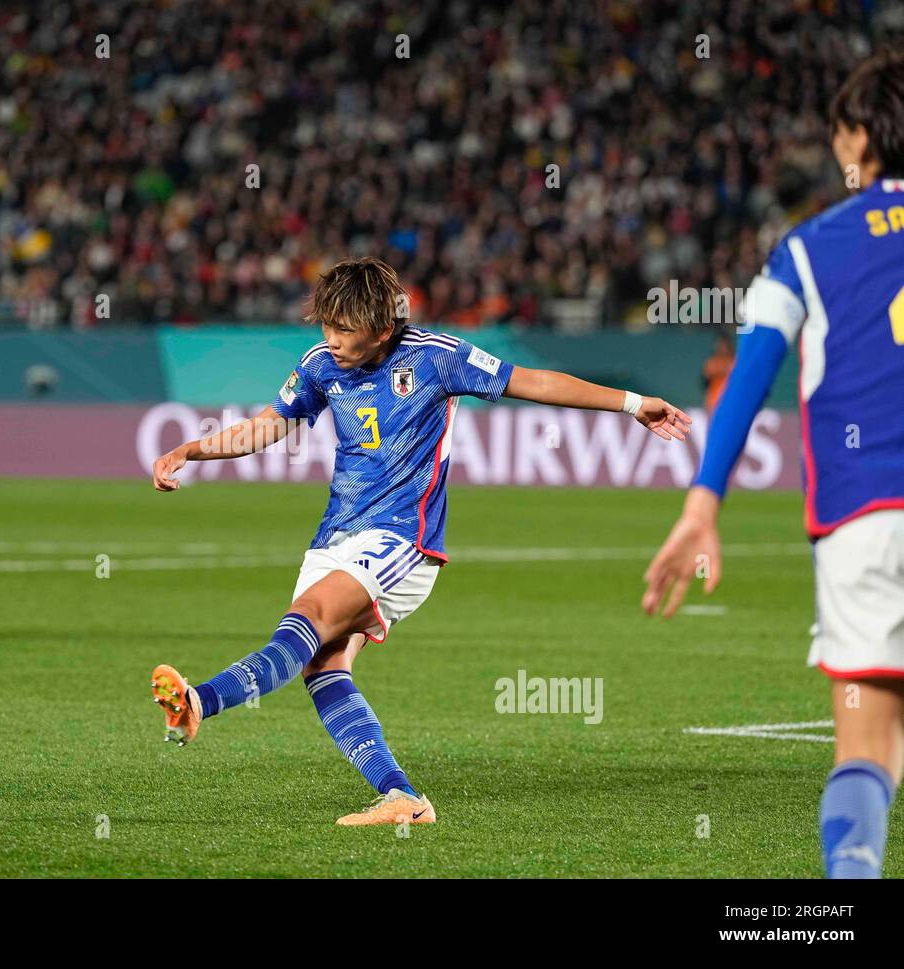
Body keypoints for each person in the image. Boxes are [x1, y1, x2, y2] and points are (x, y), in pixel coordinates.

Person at [149, 256, 691, 825]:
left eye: (343, 330)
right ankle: (403, 799)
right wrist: (191, 449)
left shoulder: (436, 358)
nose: (330, 340)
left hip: (402, 541)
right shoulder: (320, 366)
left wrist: (633, 403)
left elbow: (532, 382)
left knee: (305, 618)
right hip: (336, 537)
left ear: (382, 329)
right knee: (324, 667)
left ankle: (199, 702)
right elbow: (266, 427)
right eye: (326, 326)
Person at [643, 48, 904, 878]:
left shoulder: (807, 249)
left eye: (839, 136)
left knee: (867, 745)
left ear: (860, 139)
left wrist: (703, 501)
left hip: (867, 522)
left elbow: (749, 375)